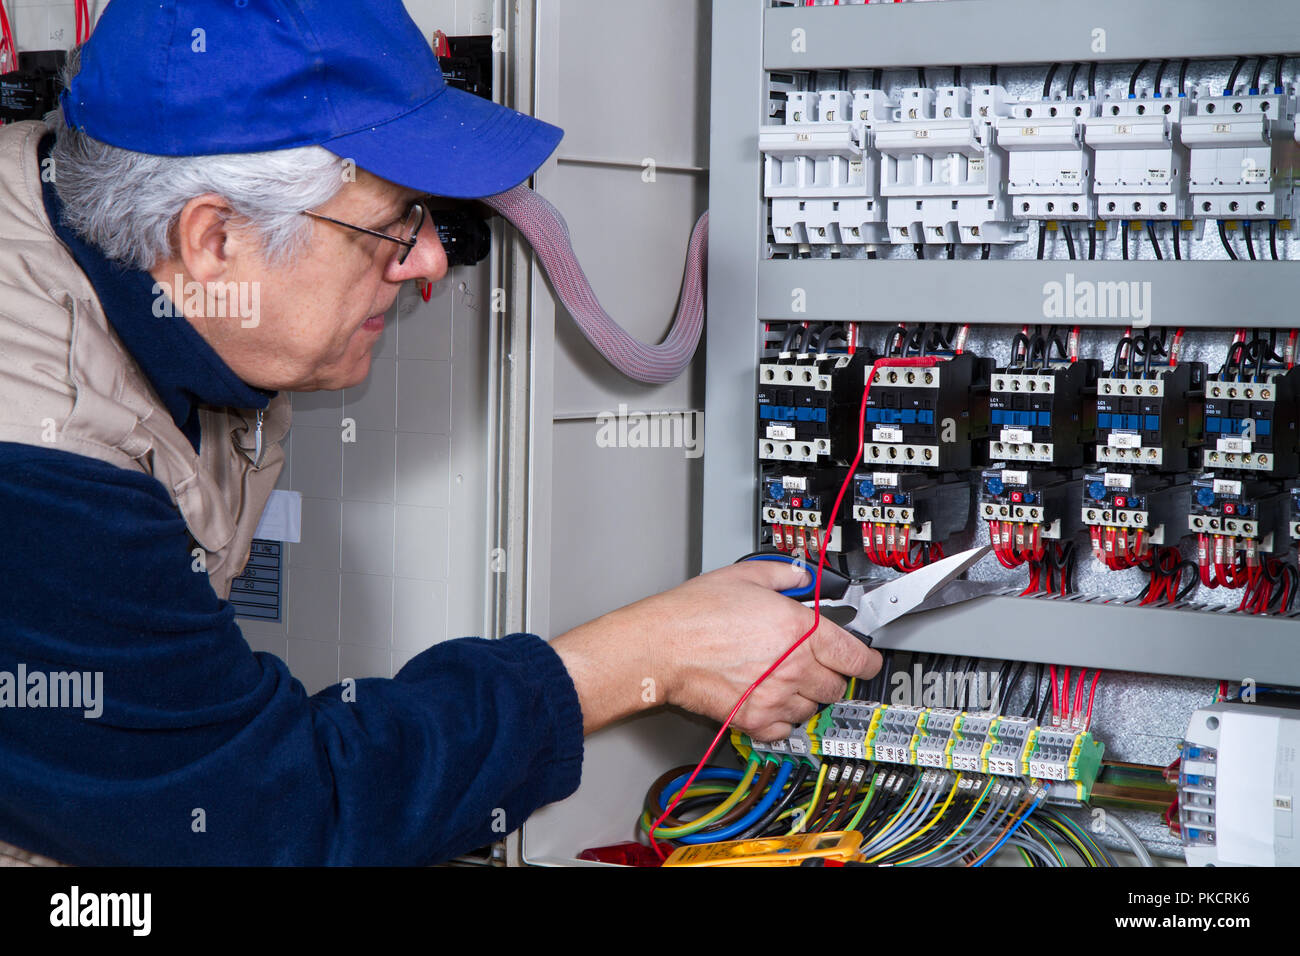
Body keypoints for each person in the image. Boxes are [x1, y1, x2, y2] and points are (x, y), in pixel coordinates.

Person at [0, 0, 878, 865]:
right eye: (389, 228)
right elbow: (258, 812)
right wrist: (651, 655)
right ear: (214, 238)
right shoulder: (40, 454)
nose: (427, 260)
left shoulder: (162, 292)